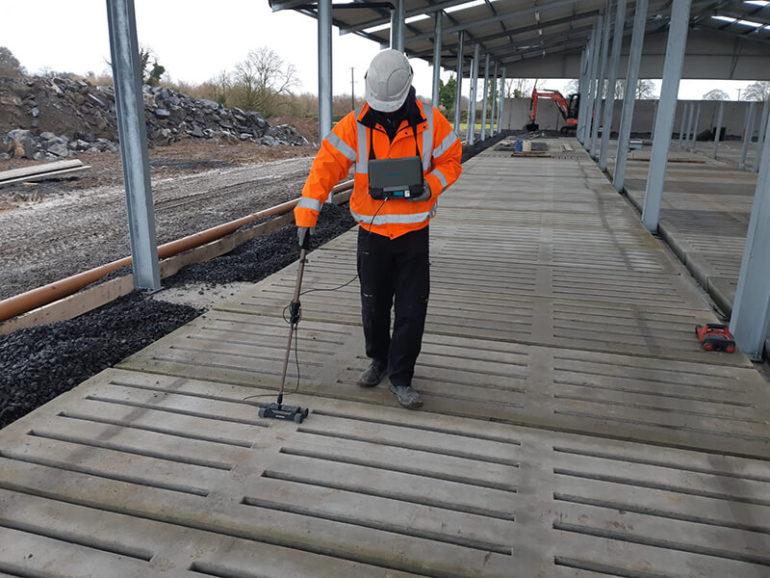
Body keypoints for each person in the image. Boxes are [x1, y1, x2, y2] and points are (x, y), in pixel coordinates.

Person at [294, 49, 462, 409]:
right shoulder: (354, 125)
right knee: (373, 304)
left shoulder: (432, 123)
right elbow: (324, 168)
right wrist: (307, 216)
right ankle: (379, 361)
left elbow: (451, 160)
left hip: (414, 233)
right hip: (371, 234)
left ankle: (401, 377)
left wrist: (430, 185)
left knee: (412, 308)